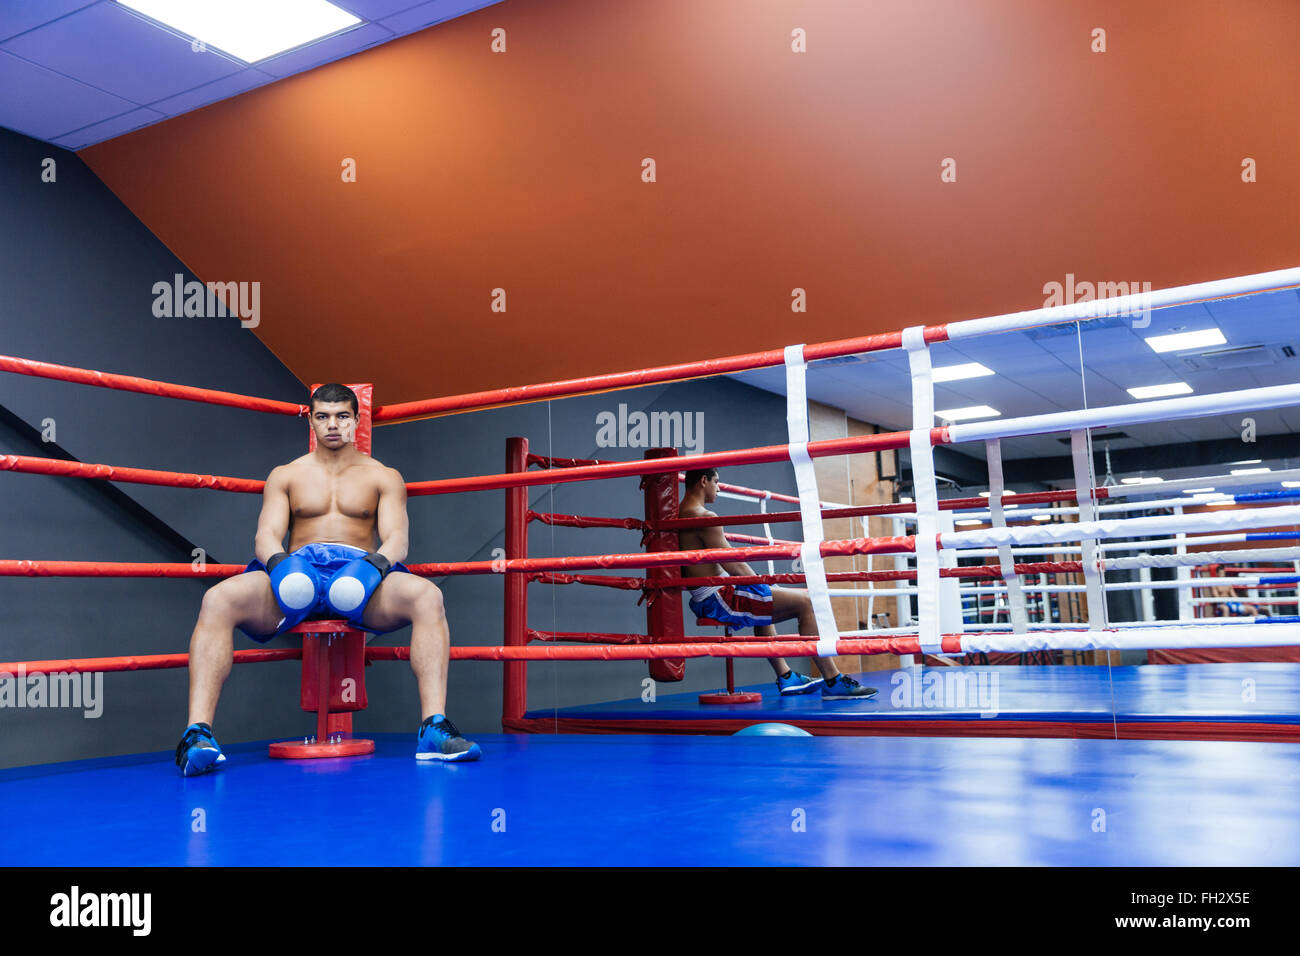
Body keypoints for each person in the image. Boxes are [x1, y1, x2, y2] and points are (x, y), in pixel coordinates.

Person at [174, 384, 480, 774]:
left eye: (341, 416)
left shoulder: (383, 477)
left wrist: (373, 567)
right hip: (297, 570)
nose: (332, 425)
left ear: (355, 420)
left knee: (427, 597)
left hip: (360, 573)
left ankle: (434, 728)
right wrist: (281, 565)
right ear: (311, 420)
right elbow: (265, 536)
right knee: (218, 599)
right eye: (323, 416)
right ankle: (197, 734)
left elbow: (398, 538)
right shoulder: (286, 474)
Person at [677, 467, 876, 699]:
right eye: (717, 482)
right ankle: (833, 681)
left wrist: (762, 588)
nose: (719, 488)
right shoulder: (705, 517)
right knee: (807, 602)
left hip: (708, 595)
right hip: (719, 597)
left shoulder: (680, 513)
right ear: (703, 481)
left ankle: (786, 676)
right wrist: (762, 584)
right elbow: (734, 565)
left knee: (765, 600)